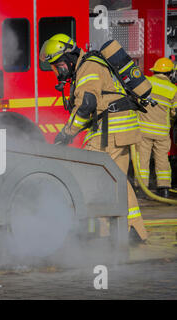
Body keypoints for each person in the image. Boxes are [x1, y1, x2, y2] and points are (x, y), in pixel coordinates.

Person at [39, 33, 148, 242]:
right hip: (121, 131)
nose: (56, 71)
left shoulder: (88, 68)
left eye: (57, 65)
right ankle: (132, 230)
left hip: (109, 134)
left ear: (68, 57)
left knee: (90, 178)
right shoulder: (92, 64)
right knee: (117, 181)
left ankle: (95, 232)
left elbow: (86, 104)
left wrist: (66, 133)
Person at [136, 57, 177, 198]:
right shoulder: (173, 89)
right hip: (162, 132)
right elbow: (174, 112)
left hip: (143, 130)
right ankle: (164, 189)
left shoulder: (147, 81)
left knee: (142, 160)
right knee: (162, 161)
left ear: (156, 71)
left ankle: (142, 189)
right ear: (170, 73)